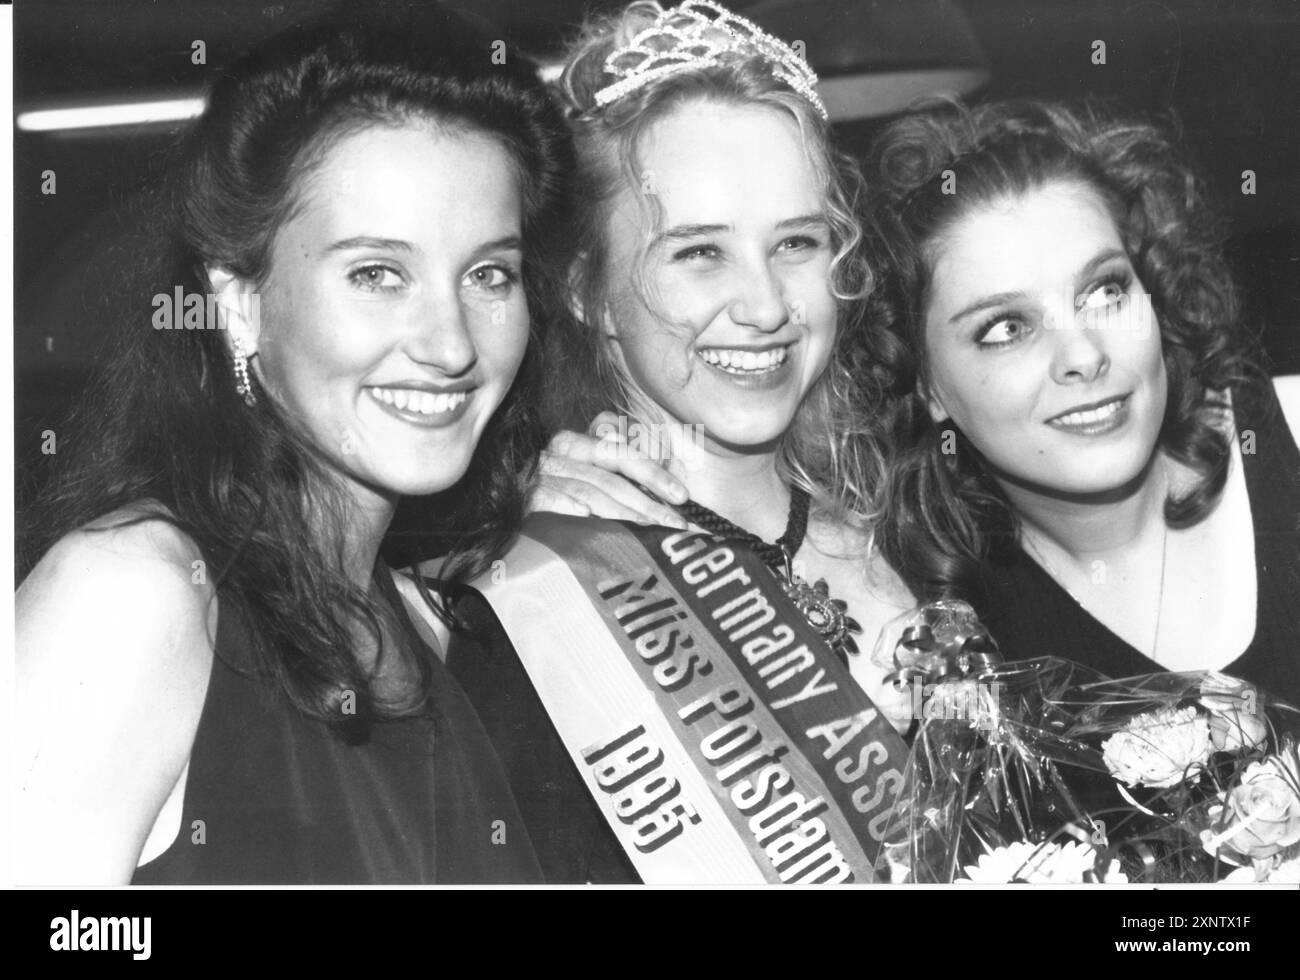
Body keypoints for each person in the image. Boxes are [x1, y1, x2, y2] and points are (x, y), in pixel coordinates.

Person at [15, 12, 573, 884]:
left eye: (487, 274)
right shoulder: (132, 597)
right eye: (377, 274)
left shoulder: (417, 624)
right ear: (239, 304)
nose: (452, 342)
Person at [442, 1, 915, 885]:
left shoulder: (922, 533)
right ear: (586, 288)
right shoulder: (529, 596)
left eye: (798, 243)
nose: (768, 305)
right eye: (700, 253)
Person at [861, 99, 1300, 704]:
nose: (1084, 354)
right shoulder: (935, 635)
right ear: (926, 387)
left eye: (1104, 290)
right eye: (1006, 328)